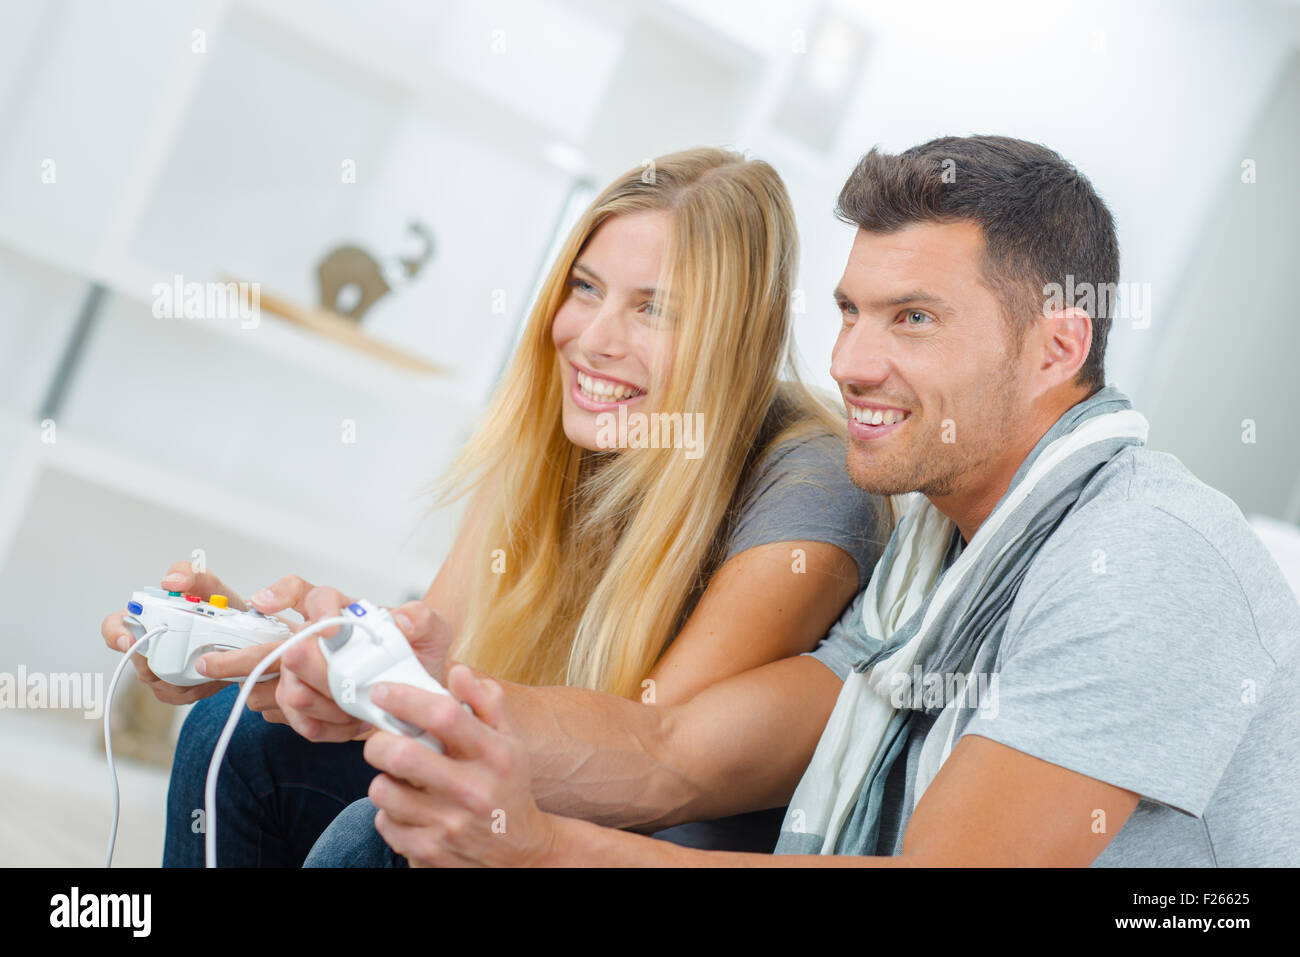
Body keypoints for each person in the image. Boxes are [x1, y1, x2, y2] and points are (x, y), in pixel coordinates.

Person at [300, 134, 1300, 867]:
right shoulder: (933, 570)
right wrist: (404, 692)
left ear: (1056, 348)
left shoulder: (1140, 562)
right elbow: (675, 752)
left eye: (913, 320)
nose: (852, 364)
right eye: (851, 314)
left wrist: (544, 848)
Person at [100, 147, 890, 866]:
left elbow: (642, 758)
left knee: (371, 836)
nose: (592, 338)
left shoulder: (812, 486)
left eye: (654, 309)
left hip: (639, 828)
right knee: (231, 729)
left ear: (732, 339)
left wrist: (388, 688)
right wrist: (282, 651)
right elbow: (441, 658)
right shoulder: (562, 433)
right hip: (518, 760)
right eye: (585, 288)